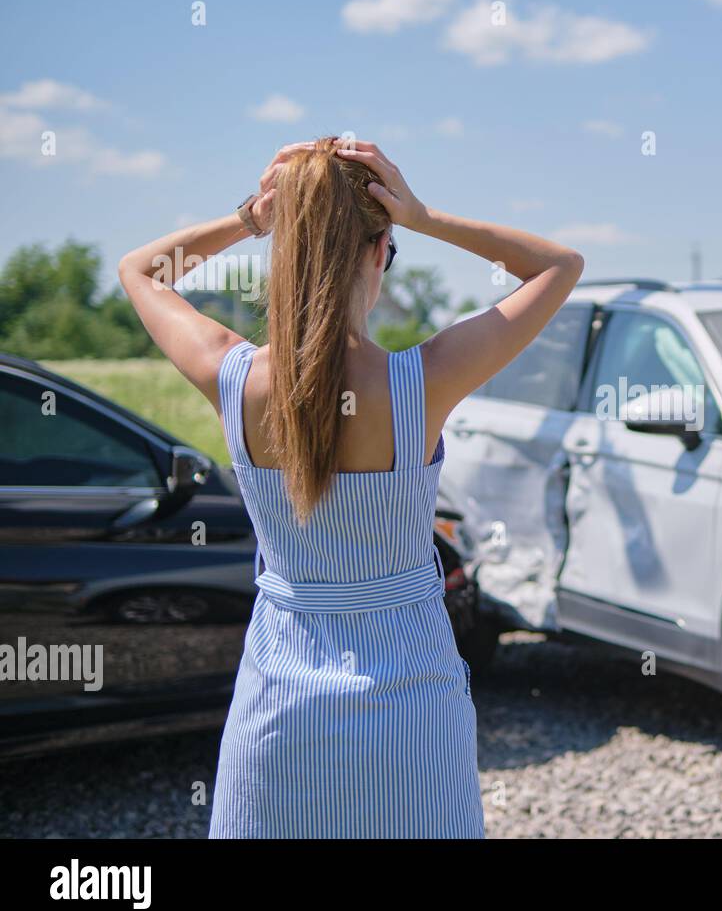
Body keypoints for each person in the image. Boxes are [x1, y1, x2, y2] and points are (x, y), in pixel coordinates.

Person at [118, 137, 584, 837]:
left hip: (278, 707)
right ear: (378, 253)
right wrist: (421, 215)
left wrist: (252, 217)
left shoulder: (233, 375)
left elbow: (140, 272)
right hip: (410, 709)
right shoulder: (420, 383)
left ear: (285, 251)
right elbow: (557, 265)